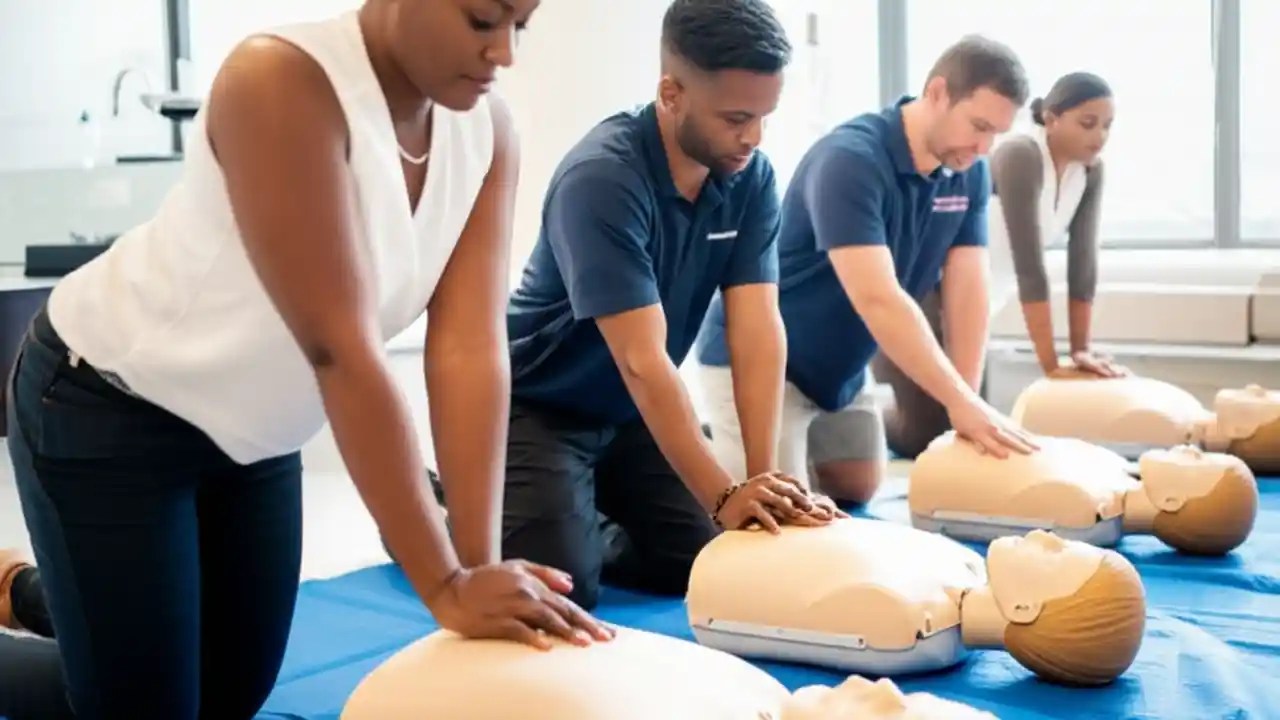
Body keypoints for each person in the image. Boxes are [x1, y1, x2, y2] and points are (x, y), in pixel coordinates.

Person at [0, 1, 613, 718]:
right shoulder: (281, 80)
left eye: (521, 25)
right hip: (109, 406)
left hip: (257, 434)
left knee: (228, 698)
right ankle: (64, 616)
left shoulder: (486, 128)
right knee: (150, 705)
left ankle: (44, 601)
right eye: (482, 20)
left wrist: (479, 563)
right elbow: (339, 349)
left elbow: (468, 346)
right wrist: (444, 586)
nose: (504, 53)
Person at [498, 0, 838, 612]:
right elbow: (641, 361)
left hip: (628, 417)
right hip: (536, 408)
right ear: (671, 93)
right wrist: (721, 492)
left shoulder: (750, 175)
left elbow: (758, 329)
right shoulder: (603, 179)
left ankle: (576, 507)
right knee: (567, 586)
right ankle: (464, 506)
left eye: (764, 117)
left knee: (705, 560)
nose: (753, 137)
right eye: (736, 117)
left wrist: (762, 478)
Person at [695, 35, 1038, 502]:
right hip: (762, 362)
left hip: (841, 370)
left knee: (858, 490)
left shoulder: (969, 169)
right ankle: (695, 459)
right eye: (978, 125)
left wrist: (967, 400)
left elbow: (968, 288)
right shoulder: (851, 160)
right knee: (776, 514)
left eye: (996, 133)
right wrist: (958, 402)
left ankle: (774, 452)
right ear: (937, 93)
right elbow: (878, 298)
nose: (984, 146)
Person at [988, 72, 1121, 379]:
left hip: (983, 301)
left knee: (962, 419)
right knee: (931, 420)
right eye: (1087, 124)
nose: (1099, 136)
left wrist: (1080, 352)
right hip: (934, 291)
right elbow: (1030, 267)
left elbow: (1083, 263)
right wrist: (1051, 367)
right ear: (1051, 119)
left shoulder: (1090, 172)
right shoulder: (1020, 155)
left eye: (1107, 126)